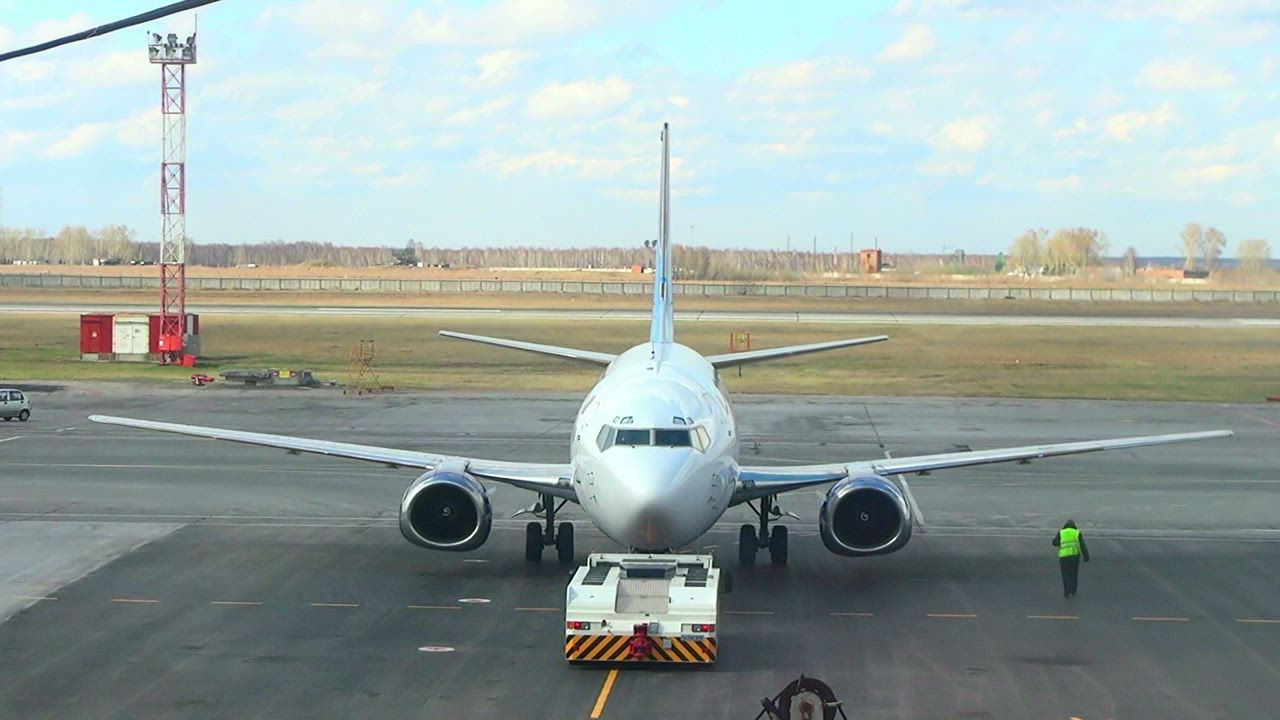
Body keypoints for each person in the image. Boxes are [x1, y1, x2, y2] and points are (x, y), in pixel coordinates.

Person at [1052, 519, 1089, 597]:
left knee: (1065, 574)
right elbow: (1082, 545)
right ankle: (1073, 590)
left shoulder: (1061, 532)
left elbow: (1054, 543)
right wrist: (1086, 556)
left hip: (1064, 557)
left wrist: (1060, 543)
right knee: (1074, 574)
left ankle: (1066, 591)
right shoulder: (1077, 533)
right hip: (1074, 557)